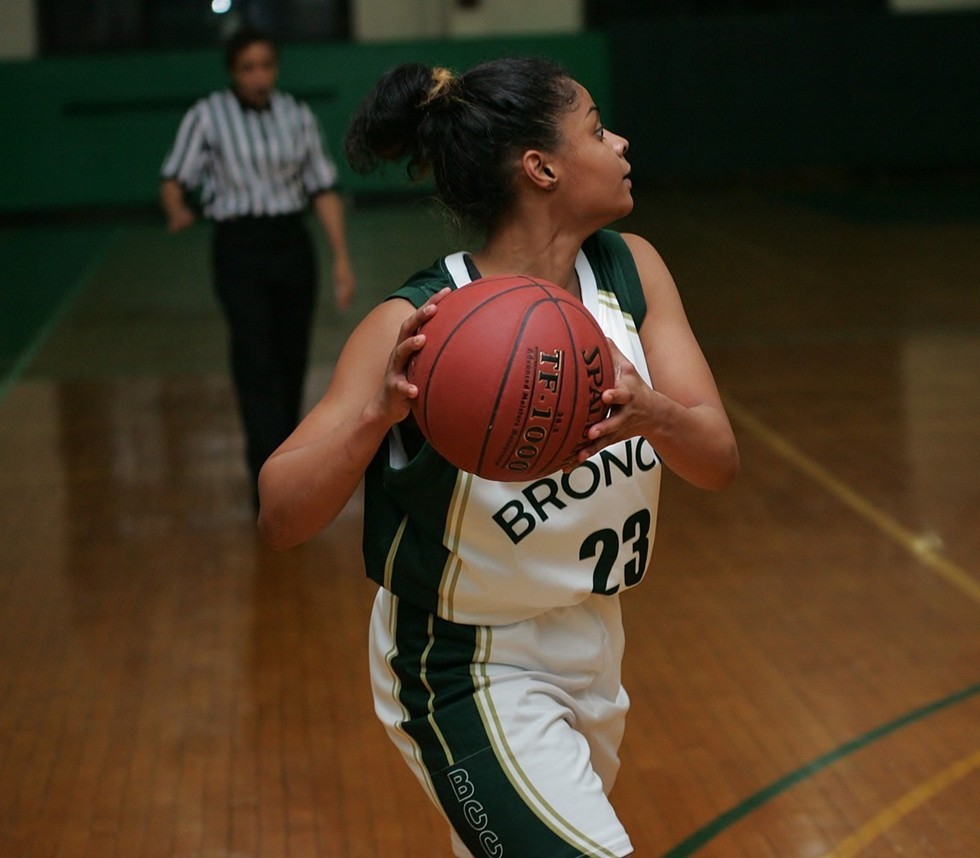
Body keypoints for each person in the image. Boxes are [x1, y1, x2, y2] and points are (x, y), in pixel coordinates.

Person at [258, 57, 738, 857]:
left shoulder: (632, 271)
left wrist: (652, 412)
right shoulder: (419, 322)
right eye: (595, 128)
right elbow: (280, 514)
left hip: (593, 638)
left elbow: (717, 459)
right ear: (540, 166)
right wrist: (376, 414)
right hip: (461, 663)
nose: (620, 143)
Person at [159, 26, 355, 505]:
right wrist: (177, 209)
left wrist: (341, 259)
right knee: (255, 361)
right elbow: (172, 178)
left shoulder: (297, 115)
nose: (259, 76)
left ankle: (285, 467)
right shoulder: (207, 116)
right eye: (248, 67)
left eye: (266, 65)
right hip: (240, 248)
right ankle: (266, 480)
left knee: (291, 360)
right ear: (233, 71)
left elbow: (322, 188)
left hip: (291, 243)